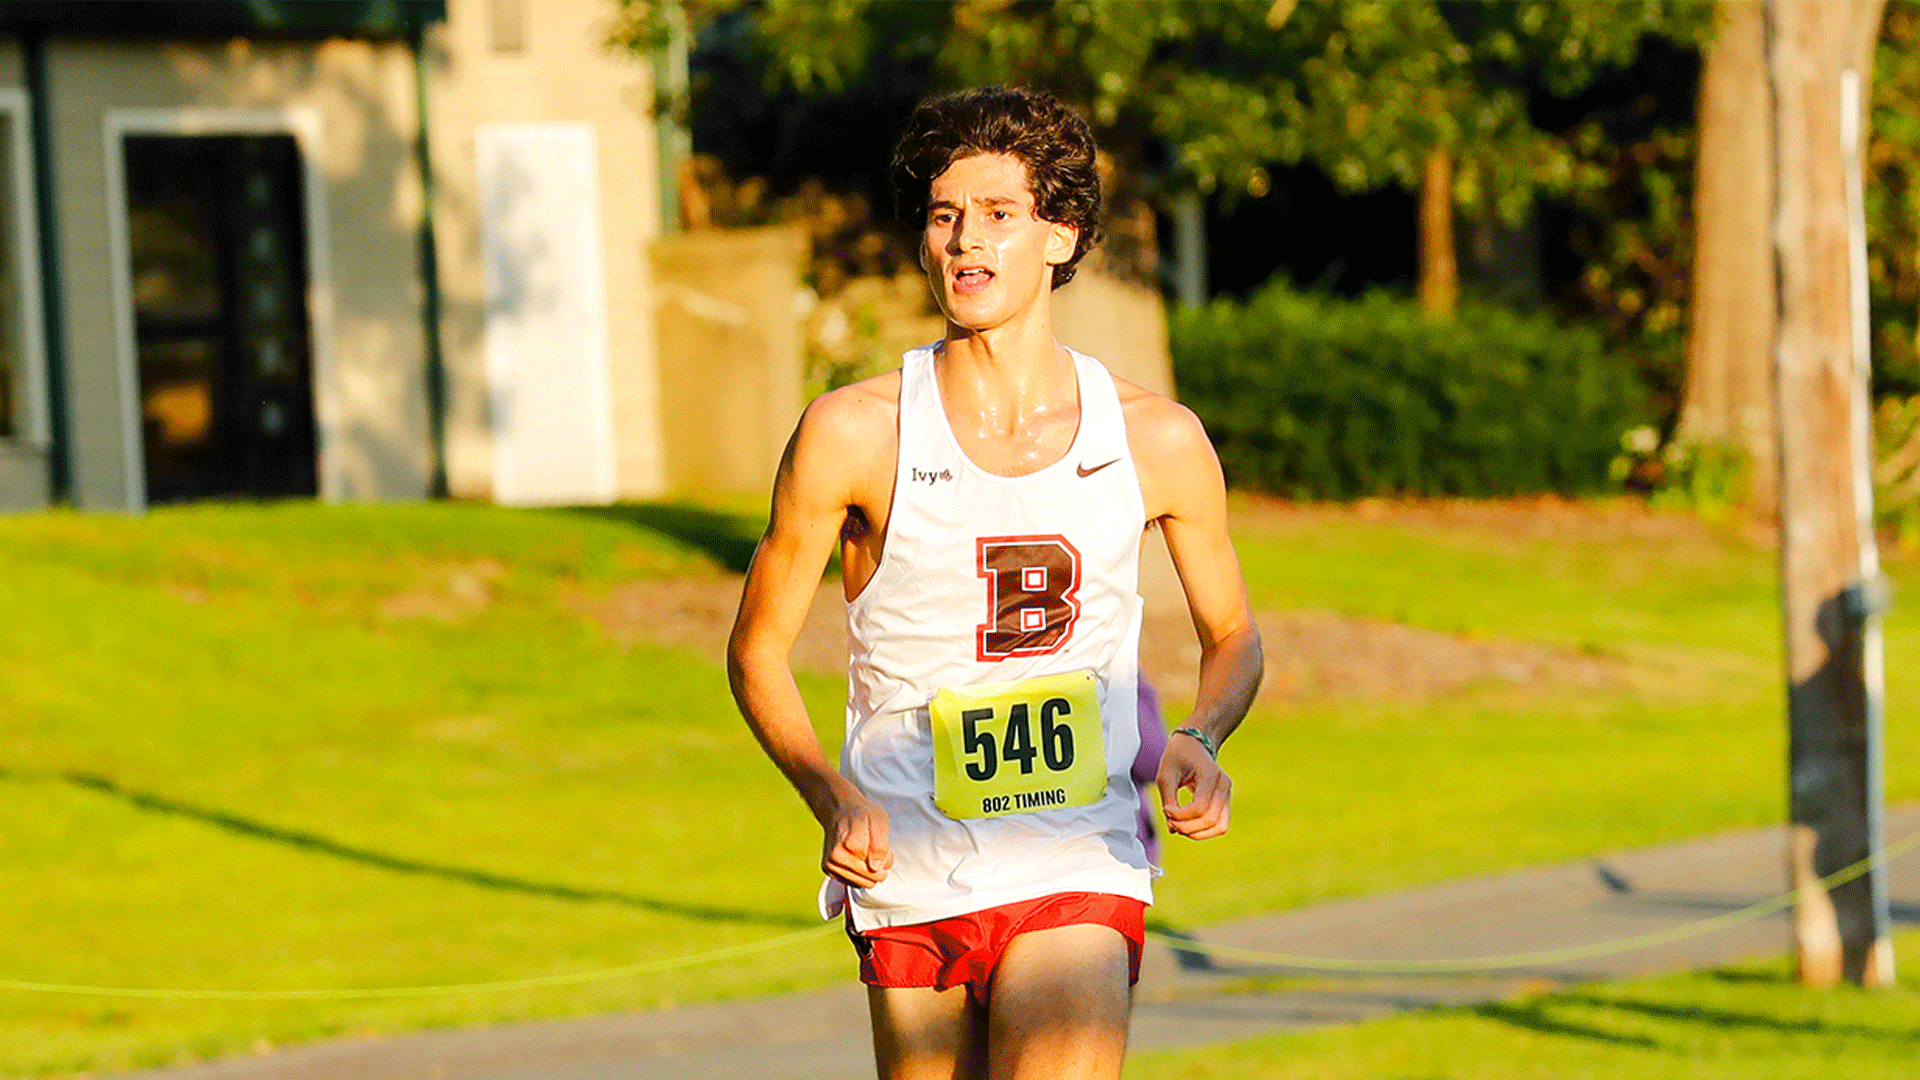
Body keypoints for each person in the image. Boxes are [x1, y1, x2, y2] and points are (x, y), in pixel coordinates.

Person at [727, 85, 1262, 1080]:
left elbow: (1233, 634)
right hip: (910, 866)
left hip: (1078, 852)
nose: (964, 241)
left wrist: (1201, 732)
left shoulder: (1157, 438)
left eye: (999, 215)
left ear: (1061, 234)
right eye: (944, 216)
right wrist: (828, 795)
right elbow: (755, 652)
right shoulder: (853, 432)